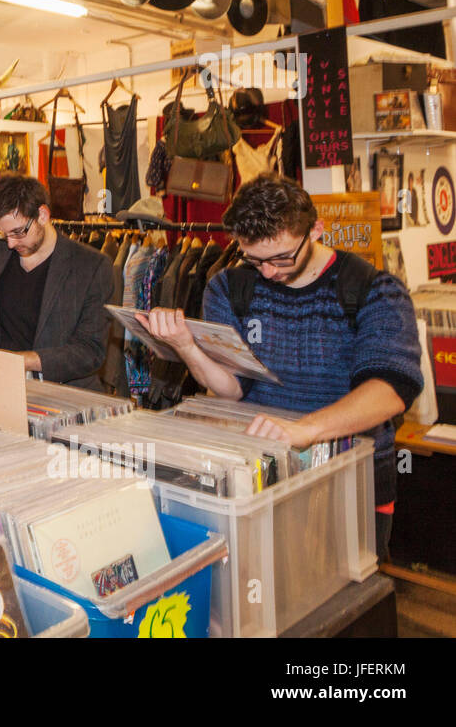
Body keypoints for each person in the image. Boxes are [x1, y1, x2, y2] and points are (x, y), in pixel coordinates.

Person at [137, 174, 422, 557]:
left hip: (354, 478)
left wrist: (304, 430)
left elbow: (390, 391)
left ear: (316, 230)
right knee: (270, 593)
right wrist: (186, 347)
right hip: (263, 473)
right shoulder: (230, 287)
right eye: (254, 259)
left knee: (350, 597)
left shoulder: (372, 289)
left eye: (281, 257)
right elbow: (232, 388)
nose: (269, 272)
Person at [0, 174, 115, 390]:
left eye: (18, 232)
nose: (10, 243)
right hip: (1, 388)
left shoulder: (92, 267)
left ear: (43, 215)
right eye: (4, 234)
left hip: (65, 395)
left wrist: (26, 361)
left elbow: (90, 350)